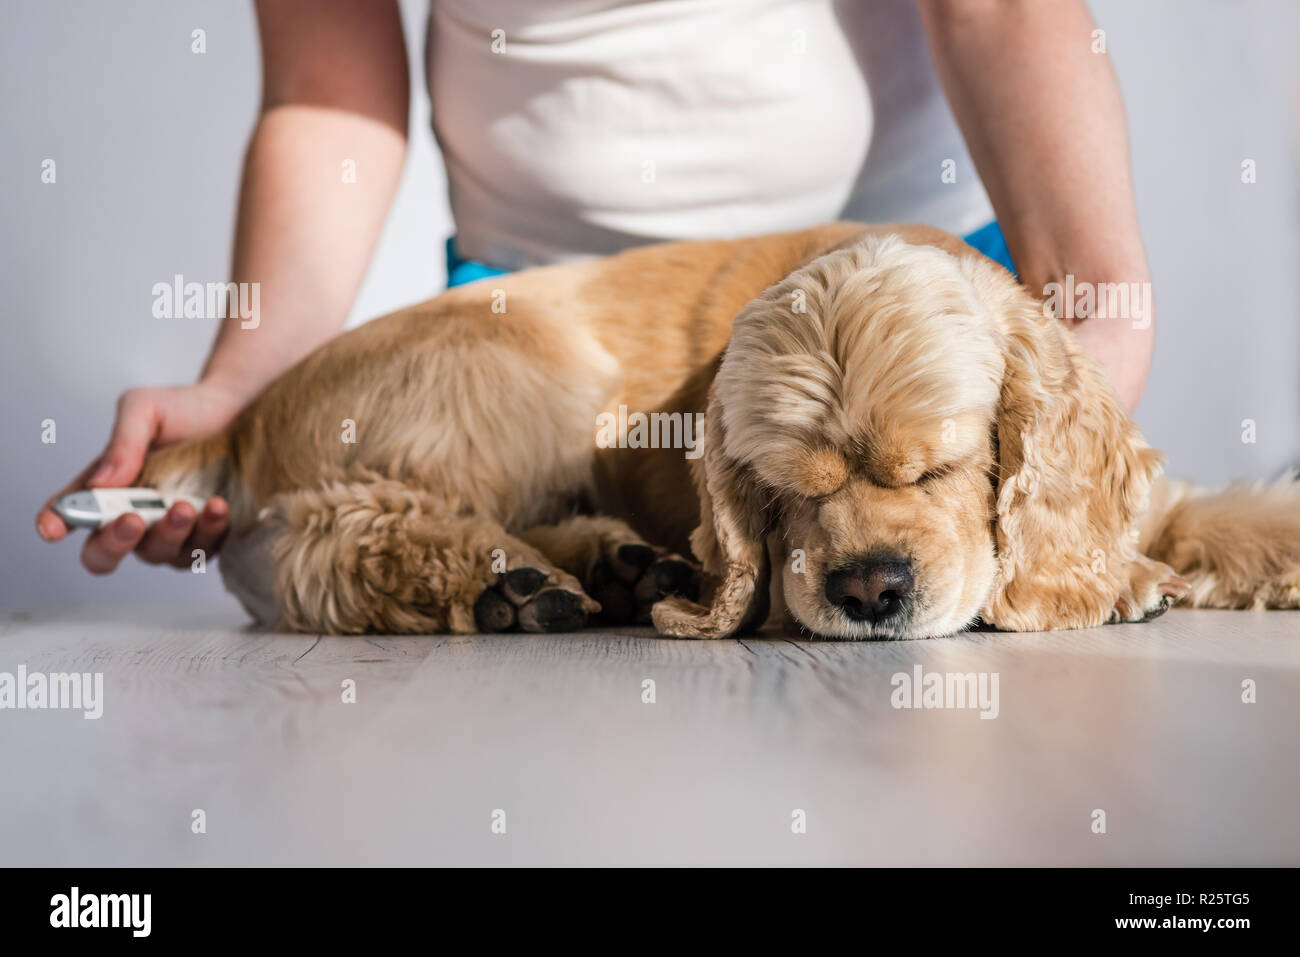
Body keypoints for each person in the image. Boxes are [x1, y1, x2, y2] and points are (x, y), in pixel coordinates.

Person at [36, 0, 1156, 576]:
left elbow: (1002, 8)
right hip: (536, 335)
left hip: (887, 325)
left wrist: (1093, 309)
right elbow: (328, 84)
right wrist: (254, 378)